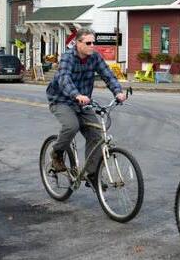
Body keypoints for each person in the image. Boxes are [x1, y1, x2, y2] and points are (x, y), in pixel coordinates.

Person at [46, 28, 126, 189]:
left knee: (96, 135)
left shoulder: (94, 57)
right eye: (88, 43)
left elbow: (107, 75)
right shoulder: (68, 57)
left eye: (93, 42)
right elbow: (64, 78)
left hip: (83, 102)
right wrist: (76, 95)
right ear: (78, 43)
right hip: (62, 99)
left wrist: (118, 91)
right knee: (71, 126)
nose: (92, 46)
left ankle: (91, 174)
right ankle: (57, 153)